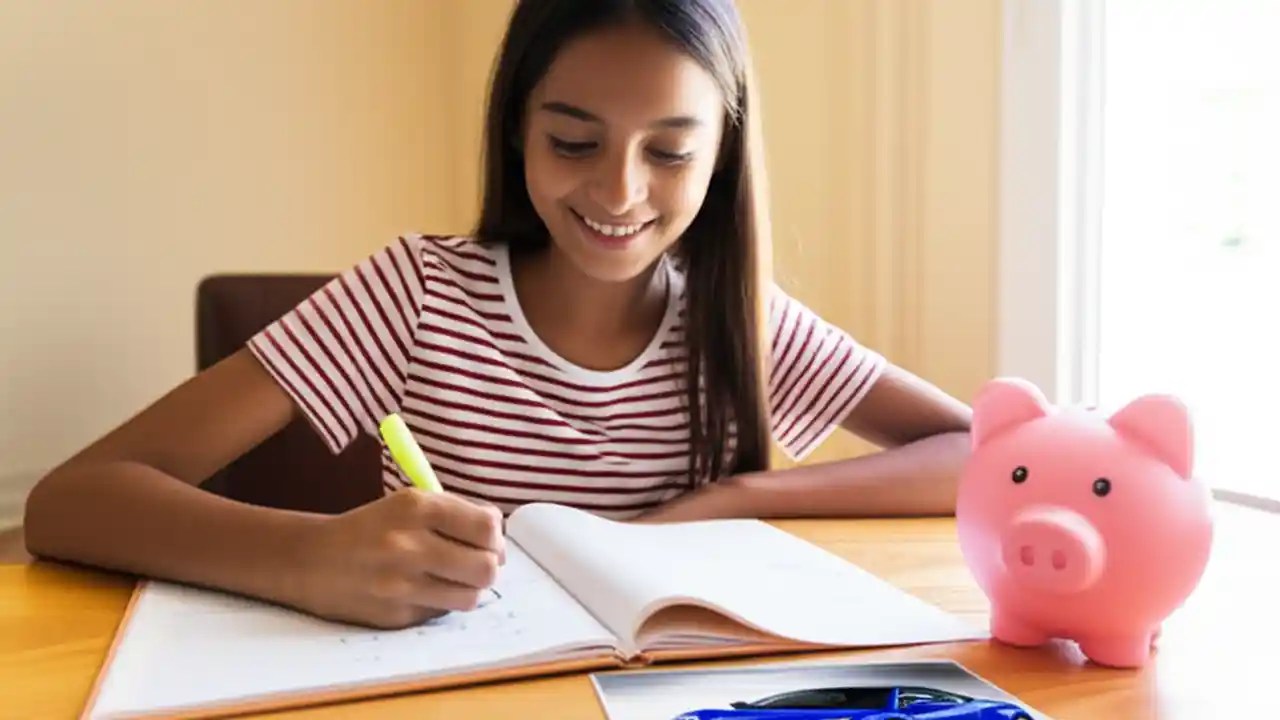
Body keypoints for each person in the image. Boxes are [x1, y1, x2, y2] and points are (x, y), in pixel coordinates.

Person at [23, 0, 972, 630]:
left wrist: (737, 499)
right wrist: (307, 553)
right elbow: (70, 501)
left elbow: (984, 452)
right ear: (517, 126)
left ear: (723, 155)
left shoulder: (735, 318)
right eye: (573, 139)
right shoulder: (416, 295)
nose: (619, 190)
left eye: (671, 153)